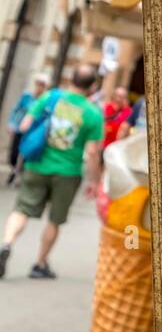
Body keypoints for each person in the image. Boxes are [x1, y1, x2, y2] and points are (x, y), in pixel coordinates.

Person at [0, 63, 104, 280]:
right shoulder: (93, 113)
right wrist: (94, 181)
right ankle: (40, 264)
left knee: (21, 209)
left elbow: (25, 125)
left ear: (70, 79)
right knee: (55, 220)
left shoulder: (50, 97)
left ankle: (7, 243)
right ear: (93, 87)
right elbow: (93, 152)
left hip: (37, 164)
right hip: (68, 172)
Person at [6, 73, 49, 183]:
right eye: (38, 84)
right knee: (14, 153)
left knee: (26, 153)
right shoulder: (26, 97)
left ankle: (21, 173)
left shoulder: (44, 101)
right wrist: (11, 124)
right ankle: (14, 169)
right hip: (19, 128)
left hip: (32, 132)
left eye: (42, 85)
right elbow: (16, 110)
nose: (40, 87)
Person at [102, 85, 133, 151]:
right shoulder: (106, 107)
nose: (119, 99)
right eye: (118, 96)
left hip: (116, 147)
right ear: (113, 96)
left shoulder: (128, 112)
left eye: (122, 97)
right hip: (102, 144)